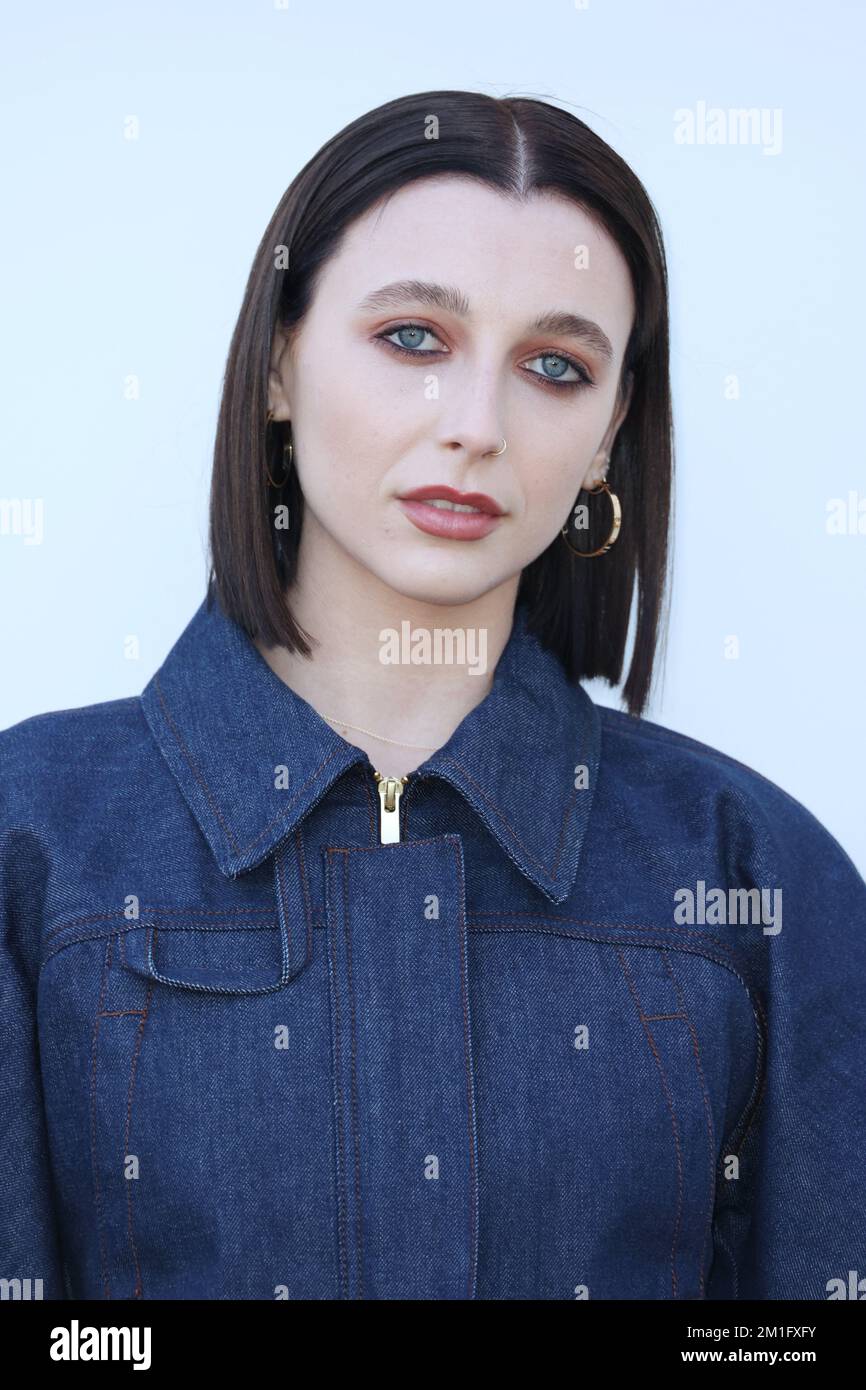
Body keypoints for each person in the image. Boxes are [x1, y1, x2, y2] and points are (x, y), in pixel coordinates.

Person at [1, 89, 864, 1302]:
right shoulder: (31, 843)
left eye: (553, 367)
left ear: (608, 433)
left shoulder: (756, 870)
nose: (475, 426)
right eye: (413, 338)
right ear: (278, 365)